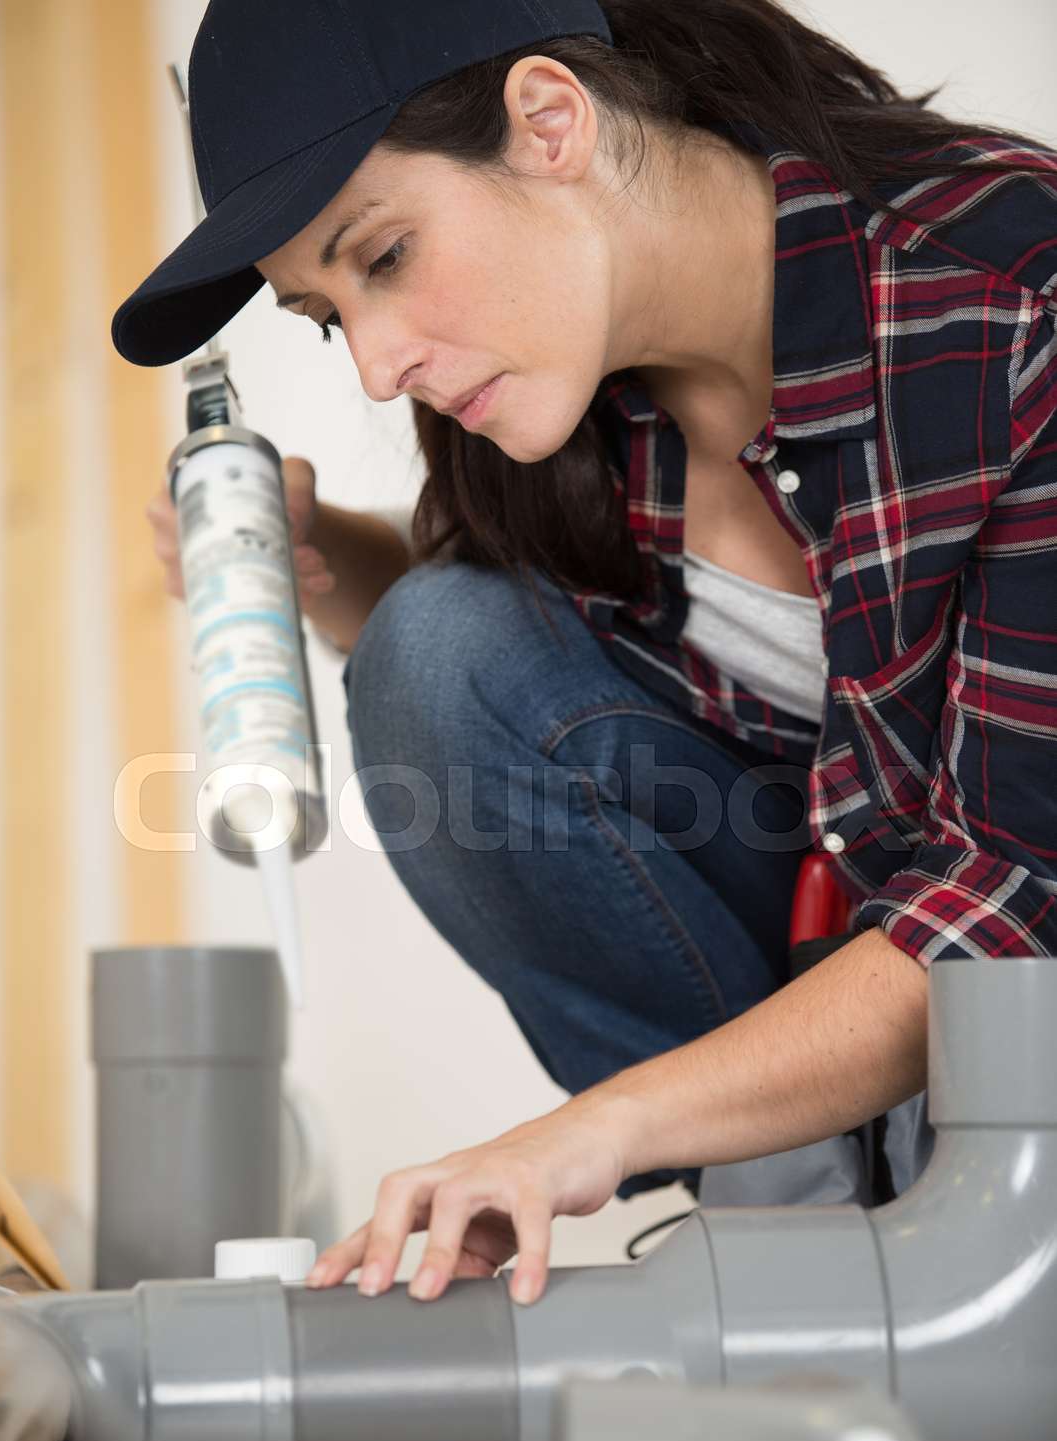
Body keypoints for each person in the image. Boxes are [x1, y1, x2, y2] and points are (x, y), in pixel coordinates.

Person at [123, 0, 1057, 1308]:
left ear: (551, 121)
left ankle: (863, 1230)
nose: (380, 368)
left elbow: (1013, 898)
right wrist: (324, 561)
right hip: (840, 976)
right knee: (435, 652)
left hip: (1019, 1005)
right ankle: (797, 1217)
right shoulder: (570, 400)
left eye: (383, 257)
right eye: (328, 318)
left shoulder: (1013, 301)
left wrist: (592, 1129)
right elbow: (501, 668)